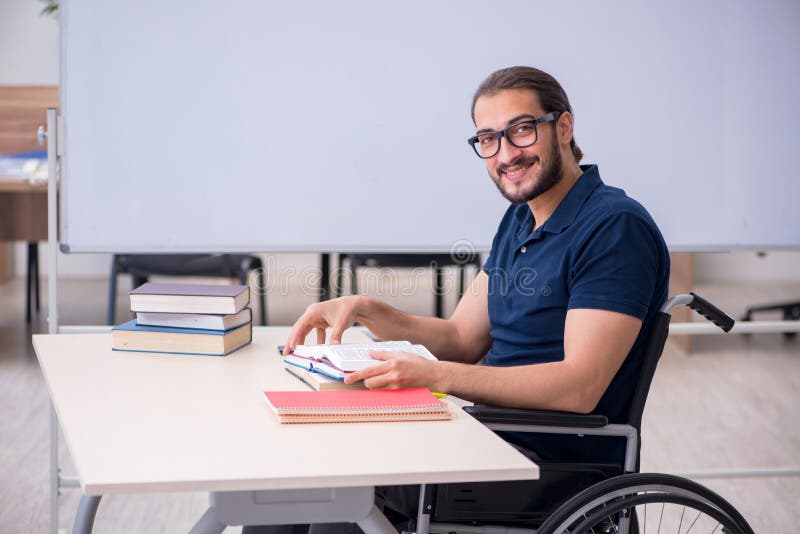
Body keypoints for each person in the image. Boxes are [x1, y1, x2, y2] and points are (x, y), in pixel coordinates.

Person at [245, 66, 669, 534]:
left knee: (336, 495)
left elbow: (578, 387)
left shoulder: (614, 228)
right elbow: (461, 338)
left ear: (563, 127)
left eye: (521, 131)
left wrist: (435, 377)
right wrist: (366, 308)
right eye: (488, 139)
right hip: (484, 433)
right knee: (284, 486)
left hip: (546, 464)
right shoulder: (520, 221)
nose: (505, 154)